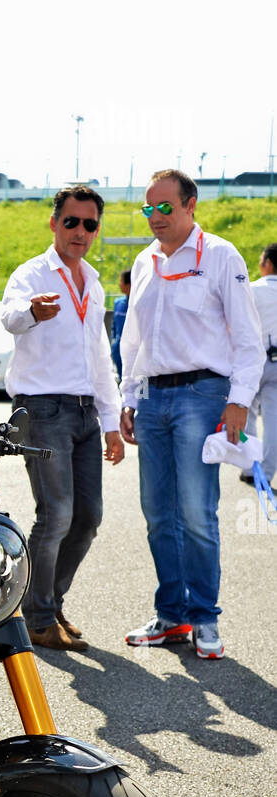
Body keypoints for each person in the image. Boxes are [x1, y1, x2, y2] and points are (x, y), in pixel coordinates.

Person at [120, 170, 263, 659]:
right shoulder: (144, 262)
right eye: (148, 208)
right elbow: (132, 339)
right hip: (154, 398)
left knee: (196, 514)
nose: (155, 217)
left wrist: (238, 400)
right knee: (158, 514)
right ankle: (171, 615)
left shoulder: (220, 256)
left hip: (203, 395)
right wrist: (128, 396)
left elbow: (248, 339)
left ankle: (204, 617)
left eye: (165, 207)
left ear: (190, 206)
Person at [0, 184, 124, 651]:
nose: (80, 231)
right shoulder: (32, 273)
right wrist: (32, 311)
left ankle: (49, 604)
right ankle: (36, 617)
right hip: (43, 407)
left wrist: (110, 422)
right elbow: (9, 317)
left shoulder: (92, 280)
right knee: (56, 516)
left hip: (85, 410)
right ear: (54, 223)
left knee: (88, 517)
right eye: (71, 221)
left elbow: (99, 358)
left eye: (90, 224)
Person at [244, 243, 277, 486]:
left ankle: (249, 465)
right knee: (274, 422)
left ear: (266, 264)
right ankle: (265, 474)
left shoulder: (251, 290)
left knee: (246, 415)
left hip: (252, 361)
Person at [110, 269, 131, 378]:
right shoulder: (118, 303)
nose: (119, 284)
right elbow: (114, 325)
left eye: (121, 281)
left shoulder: (138, 304)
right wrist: (114, 342)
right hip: (118, 349)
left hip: (133, 352)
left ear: (129, 285)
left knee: (139, 389)